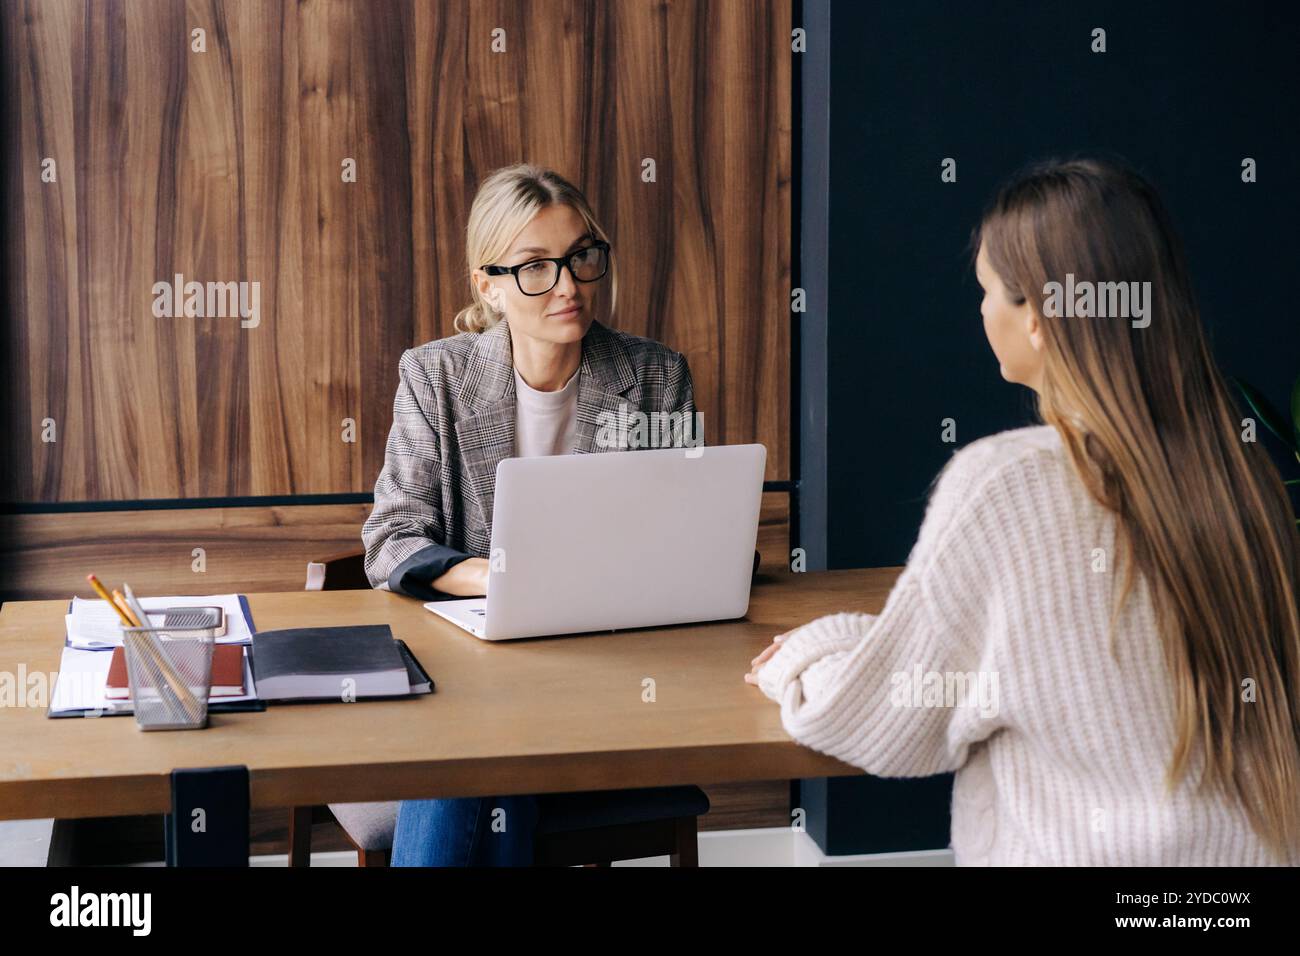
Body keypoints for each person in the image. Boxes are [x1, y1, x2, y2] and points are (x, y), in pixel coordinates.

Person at [748, 158, 1300, 865]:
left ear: (1036, 318)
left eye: (987, 292)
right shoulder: (1242, 474)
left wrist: (800, 657)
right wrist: (863, 639)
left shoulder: (1006, 486)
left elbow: (887, 715)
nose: (980, 311)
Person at [363, 164, 699, 865]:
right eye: (536, 268)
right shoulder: (436, 378)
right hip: (474, 673)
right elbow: (392, 541)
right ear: (487, 286)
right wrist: (496, 577)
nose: (569, 286)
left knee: (480, 755)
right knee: (489, 750)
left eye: (580, 257)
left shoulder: (656, 377)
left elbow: (690, 540)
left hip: (613, 674)